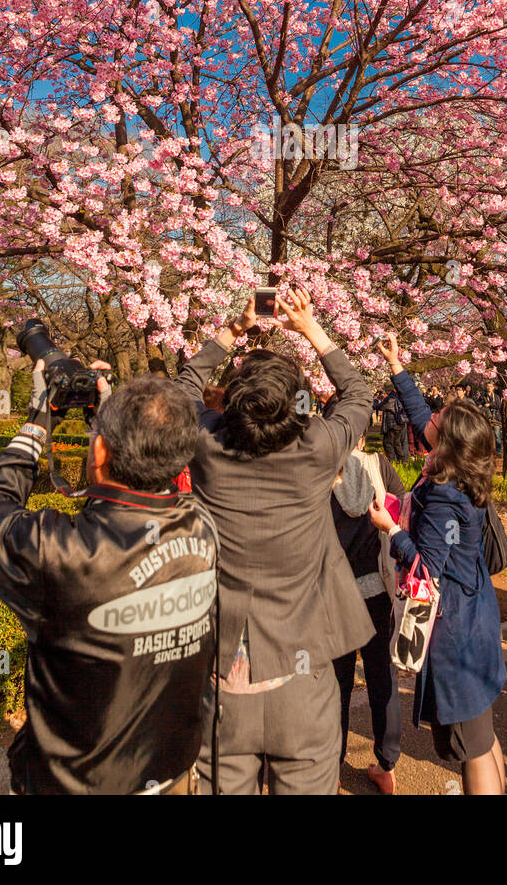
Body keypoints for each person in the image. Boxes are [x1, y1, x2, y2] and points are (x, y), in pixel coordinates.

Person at [0, 360, 218, 795]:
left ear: (98, 454)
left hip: (75, 783)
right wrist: (111, 418)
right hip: (171, 770)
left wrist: (39, 422)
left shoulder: (58, 550)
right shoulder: (200, 524)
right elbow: (130, 504)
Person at [175, 287, 375, 795]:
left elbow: (177, 397)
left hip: (223, 683)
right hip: (301, 676)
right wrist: (310, 328)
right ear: (296, 405)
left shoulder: (208, 449)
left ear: (232, 404)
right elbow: (359, 395)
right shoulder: (317, 449)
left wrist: (233, 331)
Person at [369, 334, 507, 795]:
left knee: (471, 747)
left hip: (456, 634)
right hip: (476, 614)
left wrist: (391, 529)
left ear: (445, 442)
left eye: (439, 421)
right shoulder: (463, 471)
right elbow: (419, 413)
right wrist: (395, 364)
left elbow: (427, 568)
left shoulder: (444, 496)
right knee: (483, 737)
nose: (430, 421)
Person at [331, 431, 405, 794]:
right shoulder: (381, 467)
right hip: (377, 588)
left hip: (337, 593)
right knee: (381, 675)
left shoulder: (324, 474)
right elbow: (402, 514)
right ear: (362, 437)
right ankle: (387, 761)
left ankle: (332, 760)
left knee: (336, 682)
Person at [374, 387, 409, 465]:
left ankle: (392, 462)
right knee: (397, 443)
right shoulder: (399, 396)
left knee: (388, 443)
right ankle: (402, 461)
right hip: (400, 424)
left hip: (392, 425)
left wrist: (374, 402)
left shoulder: (390, 398)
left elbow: (380, 407)